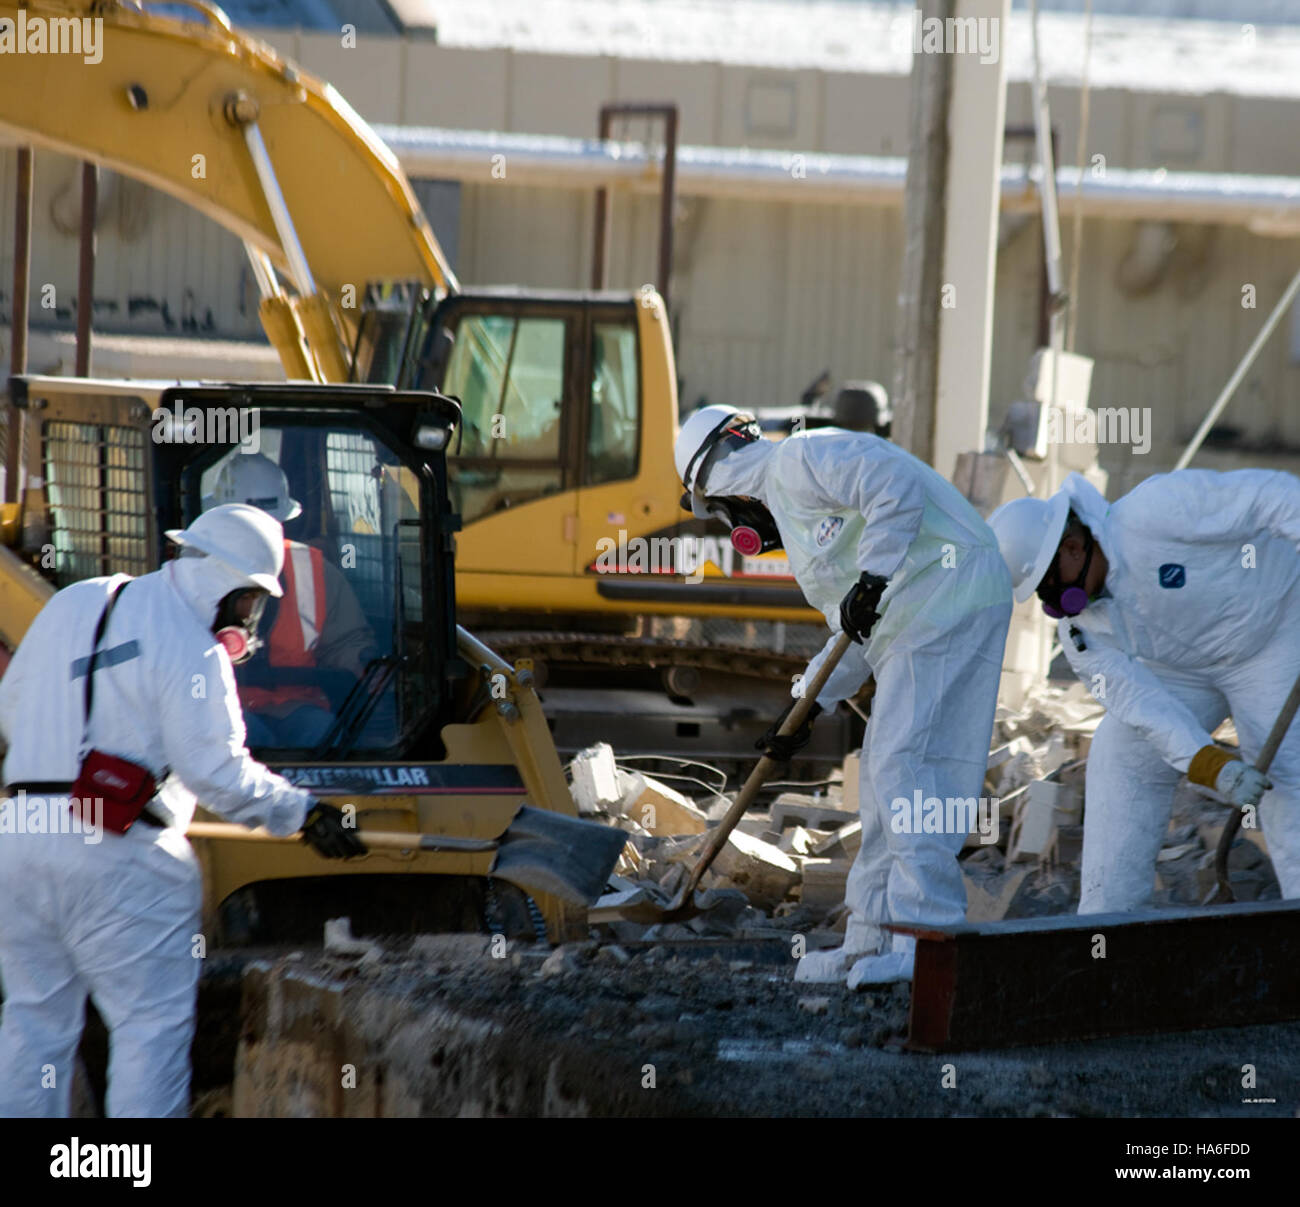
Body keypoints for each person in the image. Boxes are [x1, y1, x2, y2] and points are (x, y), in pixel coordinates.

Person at [0, 504, 365, 1118]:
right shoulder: (195, 650)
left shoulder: (76, 602)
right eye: (251, 602)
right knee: (149, 1032)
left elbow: (10, 707)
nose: (249, 620)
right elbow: (217, 773)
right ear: (226, 582)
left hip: (20, 842)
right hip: (122, 860)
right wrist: (303, 813)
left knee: (33, 1025)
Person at [675, 406, 1013, 986]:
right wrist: (806, 703)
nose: (740, 533)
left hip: (952, 593)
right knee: (885, 779)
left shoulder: (802, 458)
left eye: (726, 515)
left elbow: (895, 486)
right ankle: (869, 940)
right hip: (916, 618)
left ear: (726, 491)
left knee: (904, 763)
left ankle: (924, 943)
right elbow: (852, 633)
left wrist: (874, 578)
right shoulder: (804, 544)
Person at [990, 469, 1300, 913]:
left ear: (1073, 547)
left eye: (1049, 585)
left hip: (1272, 637)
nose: (1052, 603)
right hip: (1183, 668)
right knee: (1120, 756)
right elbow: (1139, 704)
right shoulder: (1080, 633)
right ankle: (1106, 930)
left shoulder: (1157, 511)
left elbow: (1271, 496)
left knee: (1289, 780)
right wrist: (1206, 762)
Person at [204, 452, 377, 749]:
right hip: (225, 705)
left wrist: (365, 665)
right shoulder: (199, 568)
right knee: (244, 741)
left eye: (269, 526)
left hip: (296, 705)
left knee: (326, 735)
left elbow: (345, 642)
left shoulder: (315, 569)